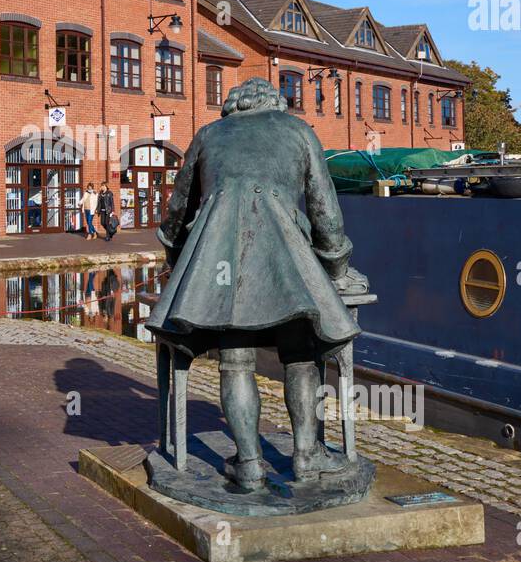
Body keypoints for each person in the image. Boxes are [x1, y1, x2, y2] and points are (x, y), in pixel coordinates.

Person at [146, 76, 364, 491]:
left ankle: (248, 464)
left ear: (233, 106)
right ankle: (306, 456)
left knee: (237, 360)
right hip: (289, 264)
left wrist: (176, 259)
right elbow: (326, 214)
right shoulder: (299, 131)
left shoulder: (209, 135)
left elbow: (177, 209)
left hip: (221, 262)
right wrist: (335, 269)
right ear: (274, 103)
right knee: (300, 357)